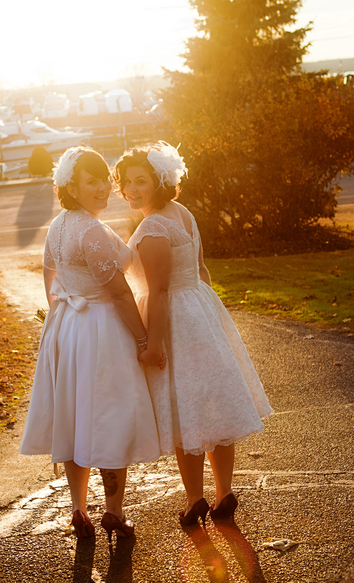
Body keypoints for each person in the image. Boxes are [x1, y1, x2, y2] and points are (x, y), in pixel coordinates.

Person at [113, 142, 272, 525]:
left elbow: (160, 291)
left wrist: (153, 342)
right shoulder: (182, 213)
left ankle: (195, 499)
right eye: (126, 182)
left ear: (161, 180)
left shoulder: (152, 228)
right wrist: (210, 317)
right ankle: (224, 493)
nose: (131, 189)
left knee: (187, 411)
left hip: (174, 321)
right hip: (200, 310)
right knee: (213, 405)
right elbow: (202, 271)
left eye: (141, 181)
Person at [19, 146, 163, 541]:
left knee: (75, 414)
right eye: (91, 182)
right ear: (71, 186)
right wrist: (143, 337)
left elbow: (49, 277)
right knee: (108, 415)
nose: (102, 188)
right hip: (101, 329)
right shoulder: (93, 232)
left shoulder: (58, 226)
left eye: (103, 179)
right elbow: (119, 294)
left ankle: (78, 510)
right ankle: (113, 512)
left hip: (68, 327)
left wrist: (59, 316)